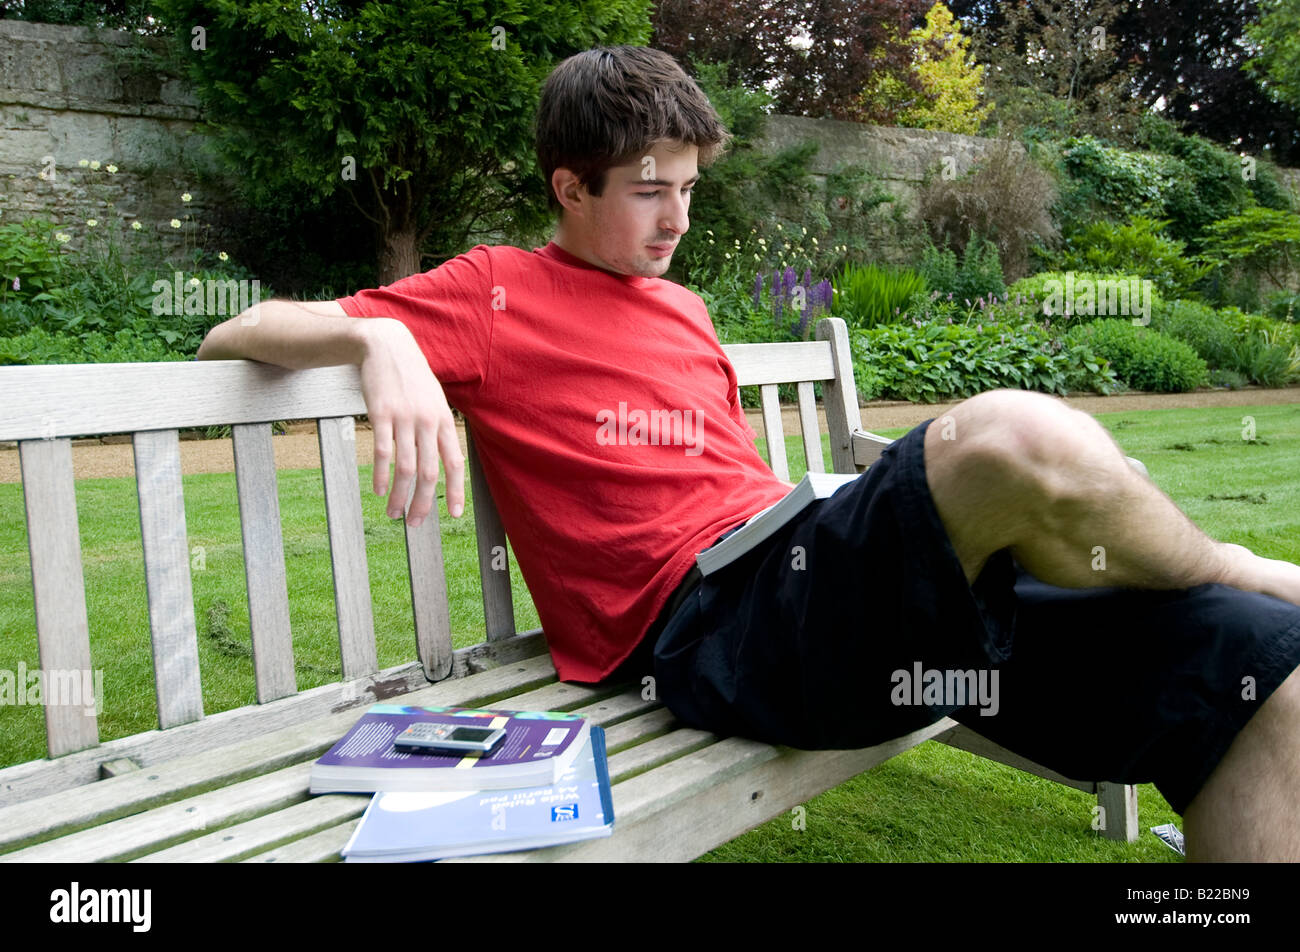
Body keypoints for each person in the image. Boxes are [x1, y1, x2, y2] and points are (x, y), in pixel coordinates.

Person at [197, 45, 1300, 861]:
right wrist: (378, 334)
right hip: (714, 628)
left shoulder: (681, 307)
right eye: (646, 190)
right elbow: (232, 332)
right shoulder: (492, 290)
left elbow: (731, 483)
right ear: (568, 188)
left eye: (688, 186)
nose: (676, 216)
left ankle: (1235, 597)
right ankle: (1236, 558)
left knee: (1267, 667)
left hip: (818, 589)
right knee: (1011, 437)